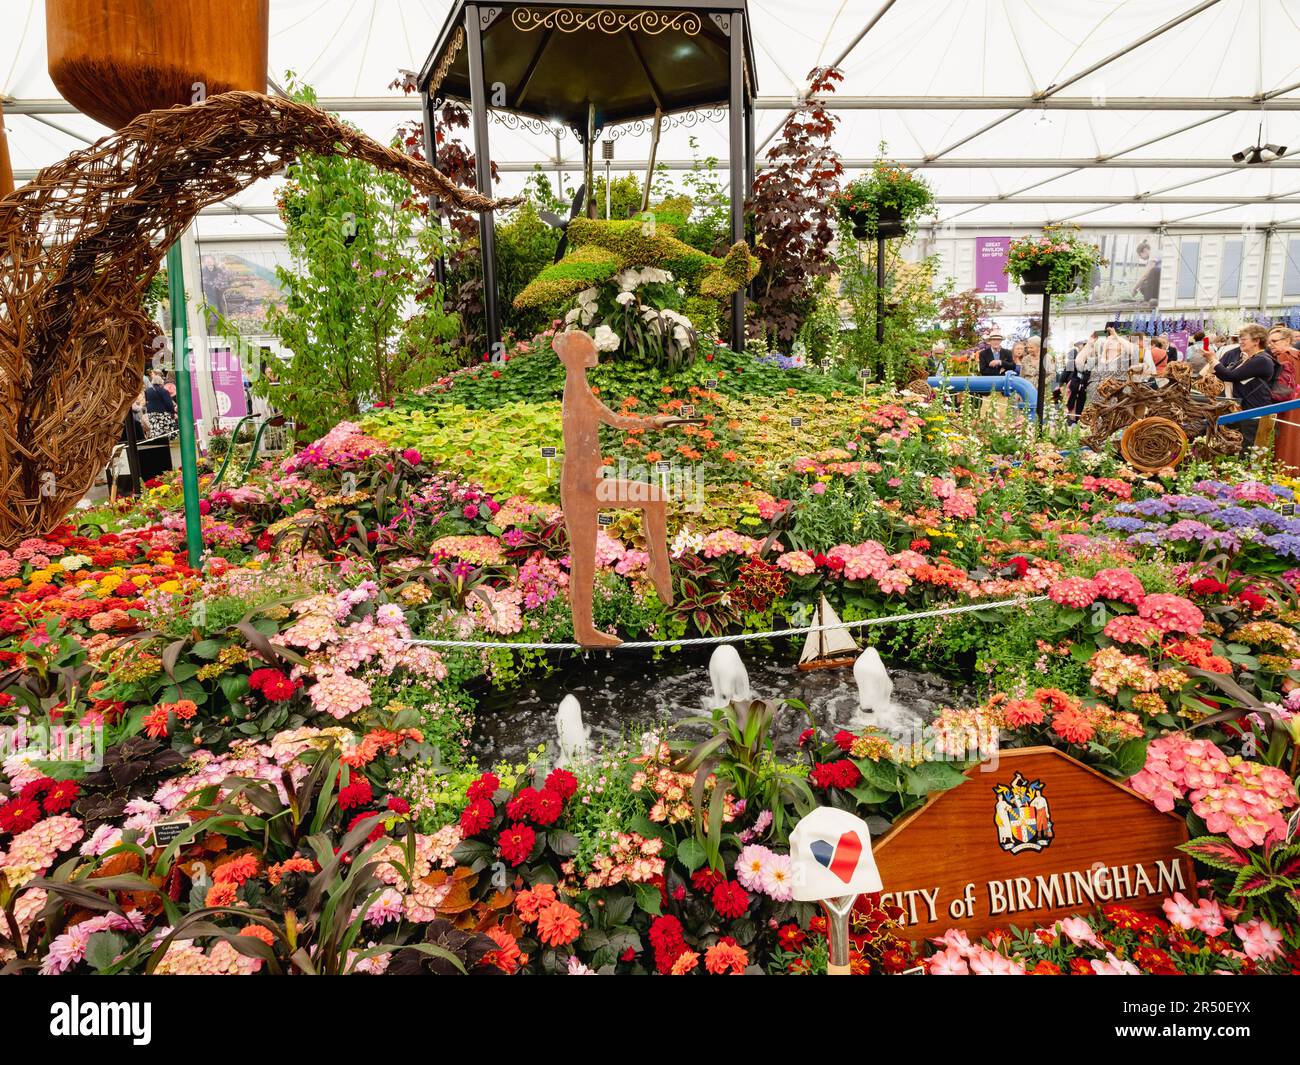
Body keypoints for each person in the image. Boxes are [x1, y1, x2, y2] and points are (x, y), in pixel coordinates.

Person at [1212, 323, 1274, 453]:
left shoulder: (1262, 360)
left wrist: (1213, 360)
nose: (1240, 342)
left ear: (1256, 341)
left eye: (1244, 339)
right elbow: (1225, 375)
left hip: (1254, 410)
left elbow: (1230, 375)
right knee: (1238, 445)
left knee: (1248, 448)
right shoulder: (1251, 359)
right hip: (1244, 408)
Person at [1268, 325, 1300, 472]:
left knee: (1284, 440)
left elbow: (1279, 391)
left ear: (1287, 340)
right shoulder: (1297, 355)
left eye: (1275, 341)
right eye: (1269, 342)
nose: (1271, 345)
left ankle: (1282, 472)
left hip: (1285, 406)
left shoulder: (1283, 357)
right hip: (1296, 404)